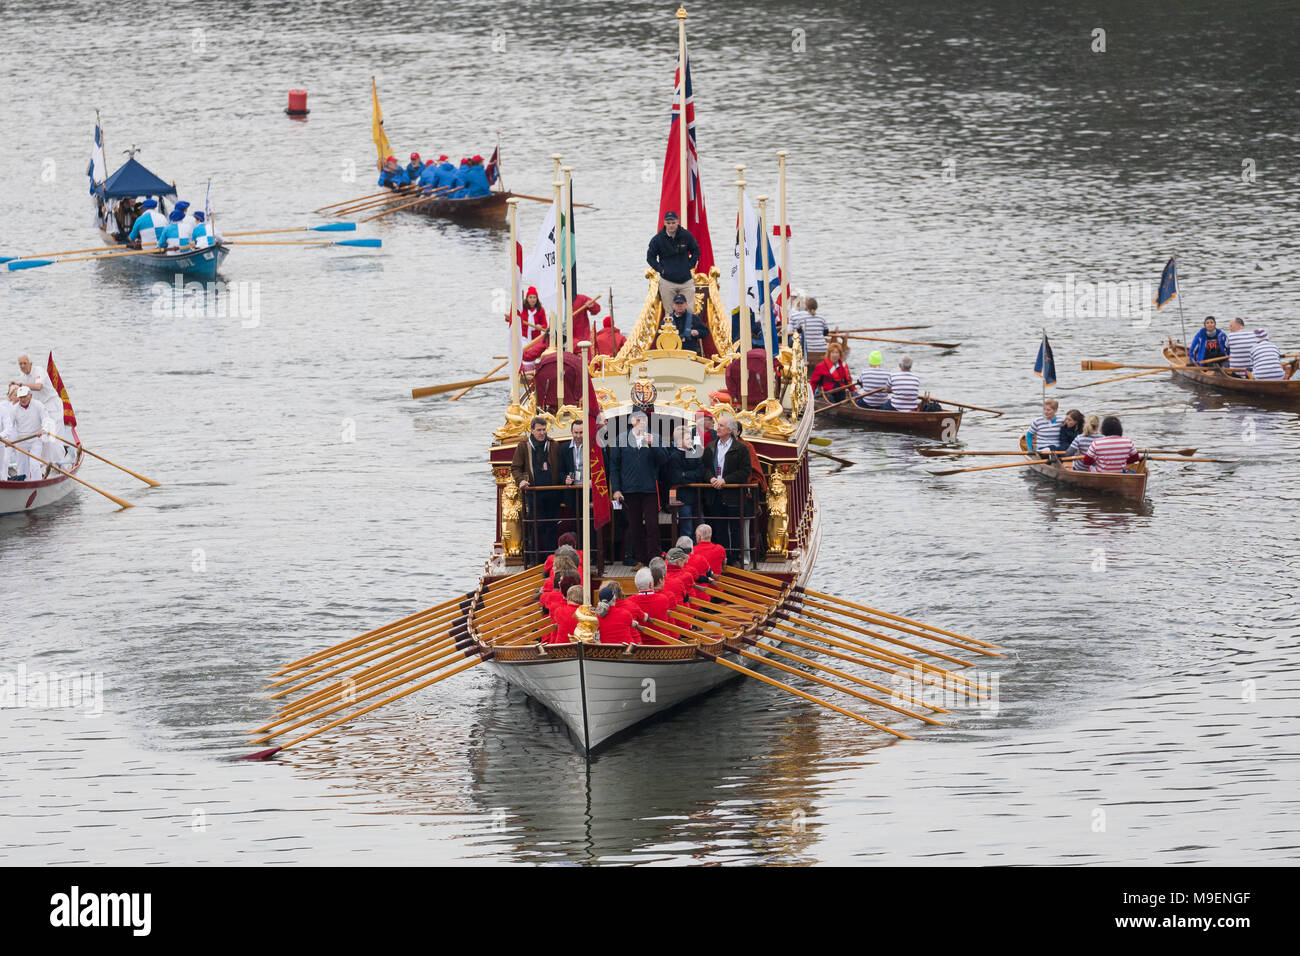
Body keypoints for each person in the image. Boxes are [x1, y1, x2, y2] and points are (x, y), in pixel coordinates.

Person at [609, 412, 667, 567]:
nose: (643, 423)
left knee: (652, 525)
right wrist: (616, 489)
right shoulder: (621, 439)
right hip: (629, 490)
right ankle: (641, 559)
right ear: (632, 421)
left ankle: (654, 559)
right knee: (634, 526)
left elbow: (664, 460)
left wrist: (653, 444)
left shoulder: (655, 437)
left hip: (650, 490)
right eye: (639, 420)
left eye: (645, 420)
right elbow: (614, 467)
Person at [510, 416, 565, 561]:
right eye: (538, 430)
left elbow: (560, 467)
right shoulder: (523, 446)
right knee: (536, 526)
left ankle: (551, 559)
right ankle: (535, 560)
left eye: (543, 430)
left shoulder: (553, 445)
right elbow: (515, 468)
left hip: (552, 493)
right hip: (534, 494)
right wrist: (521, 481)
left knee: (551, 527)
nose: (541, 433)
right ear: (532, 430)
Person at [700, 412, 751, 562]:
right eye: (718, 425)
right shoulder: (710, 447)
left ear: (730, 430)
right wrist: (711, 478)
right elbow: (704, 468)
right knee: (719, 527)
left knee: (735, 527)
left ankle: (734, 558)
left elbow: (745, 471)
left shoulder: (741, 449)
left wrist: (725, 480)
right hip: (715, 494)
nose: (718, 428)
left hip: (733, 494)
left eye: (721, 426)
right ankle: (722, 557)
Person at [646, 211, 700, 316]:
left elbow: (696, 251)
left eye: (673, 222)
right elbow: (650, 257)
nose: (671, 225)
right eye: (668, 223)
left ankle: (687, 332)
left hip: (686, 280)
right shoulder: (657, 239)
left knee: (689, 311)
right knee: (670, 313)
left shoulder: (686, 235)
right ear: (664, 223)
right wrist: (661, 269)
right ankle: (672, 332)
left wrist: (690, 265)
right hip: (667, 281)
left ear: (677, 222)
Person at [665, 424, 704, 539]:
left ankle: (699, 553)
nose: (690, 441)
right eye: (687, 438)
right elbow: (677, 477)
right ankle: (687, 554)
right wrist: (693, 474)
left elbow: (701, 471)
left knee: (700, 527)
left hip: (697, 497)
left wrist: (686, 474)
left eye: (690, 438)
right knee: (687, 528)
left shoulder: (694, 453)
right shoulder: (674, 456)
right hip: (683, 498)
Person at [8, 387, 46, 480]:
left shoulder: (38, 405)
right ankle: (24, 484)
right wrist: (7, 440)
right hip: (21, 440)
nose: (23, 399)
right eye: (20, 397)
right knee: (21, 466)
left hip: (36, 439)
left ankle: (37, 484)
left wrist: (43, 429)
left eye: (25, 396)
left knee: (34, 465)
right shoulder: (14, 409)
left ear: (30, 395)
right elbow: (9, 426)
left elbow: (46, 419)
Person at [792, 296, 830, 367]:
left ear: (807, 307)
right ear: (816, 307)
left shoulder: (802, 319)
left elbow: (798, 331)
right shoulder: (822, 318)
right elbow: (826, 332)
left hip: (807, 350)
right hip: (822, 349)